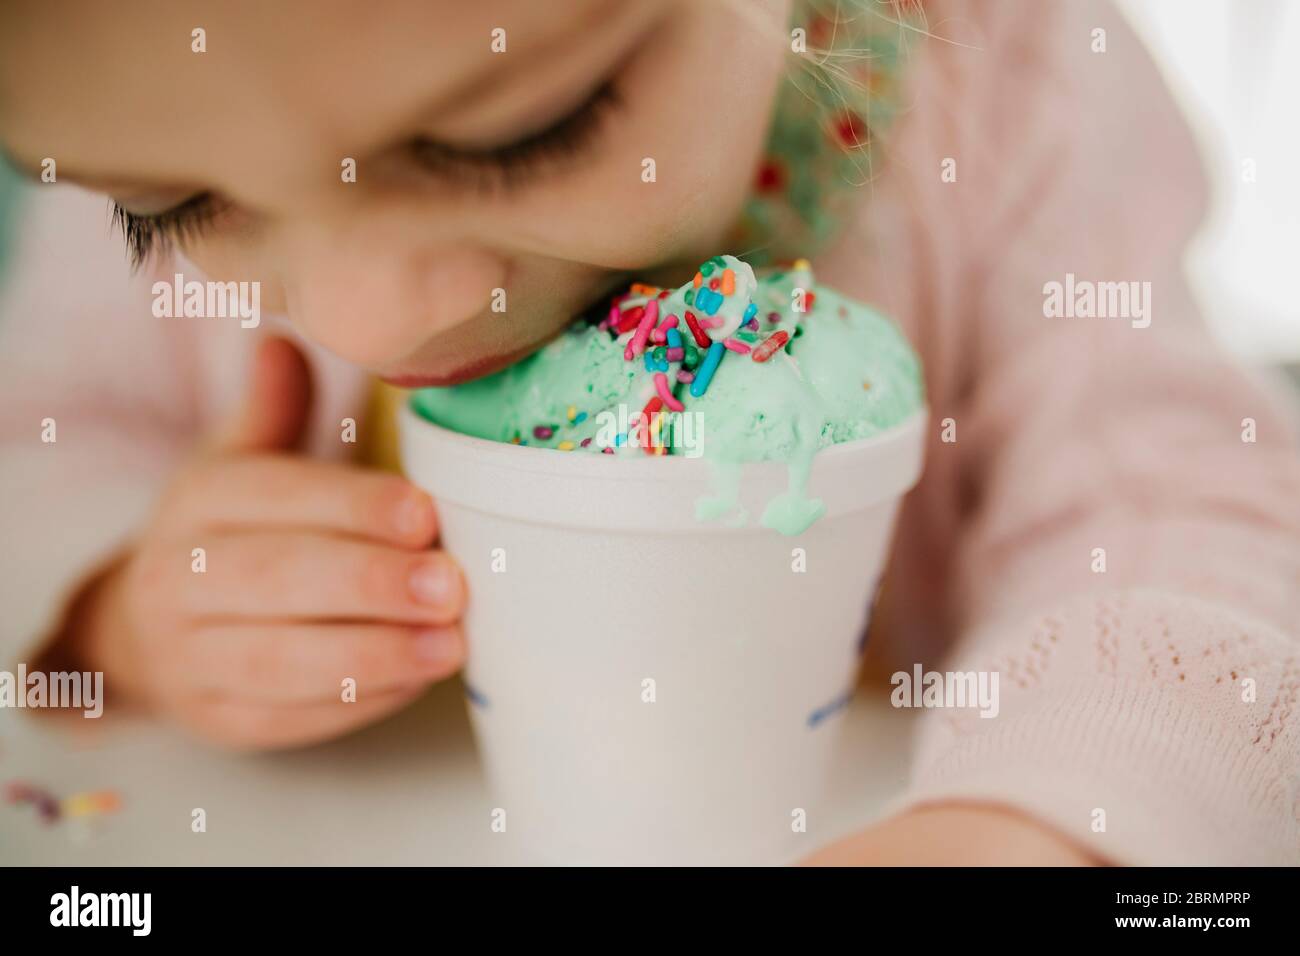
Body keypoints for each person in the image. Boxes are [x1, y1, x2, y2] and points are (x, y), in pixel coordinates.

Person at [0, 0, 1295, 864]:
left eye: (524, 128)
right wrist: (115, 610)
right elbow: (41, 450)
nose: (370, 316)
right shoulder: (135, 66)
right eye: (166, 208)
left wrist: (1036, 822)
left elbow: (1184, 518)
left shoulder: (1006, 86)